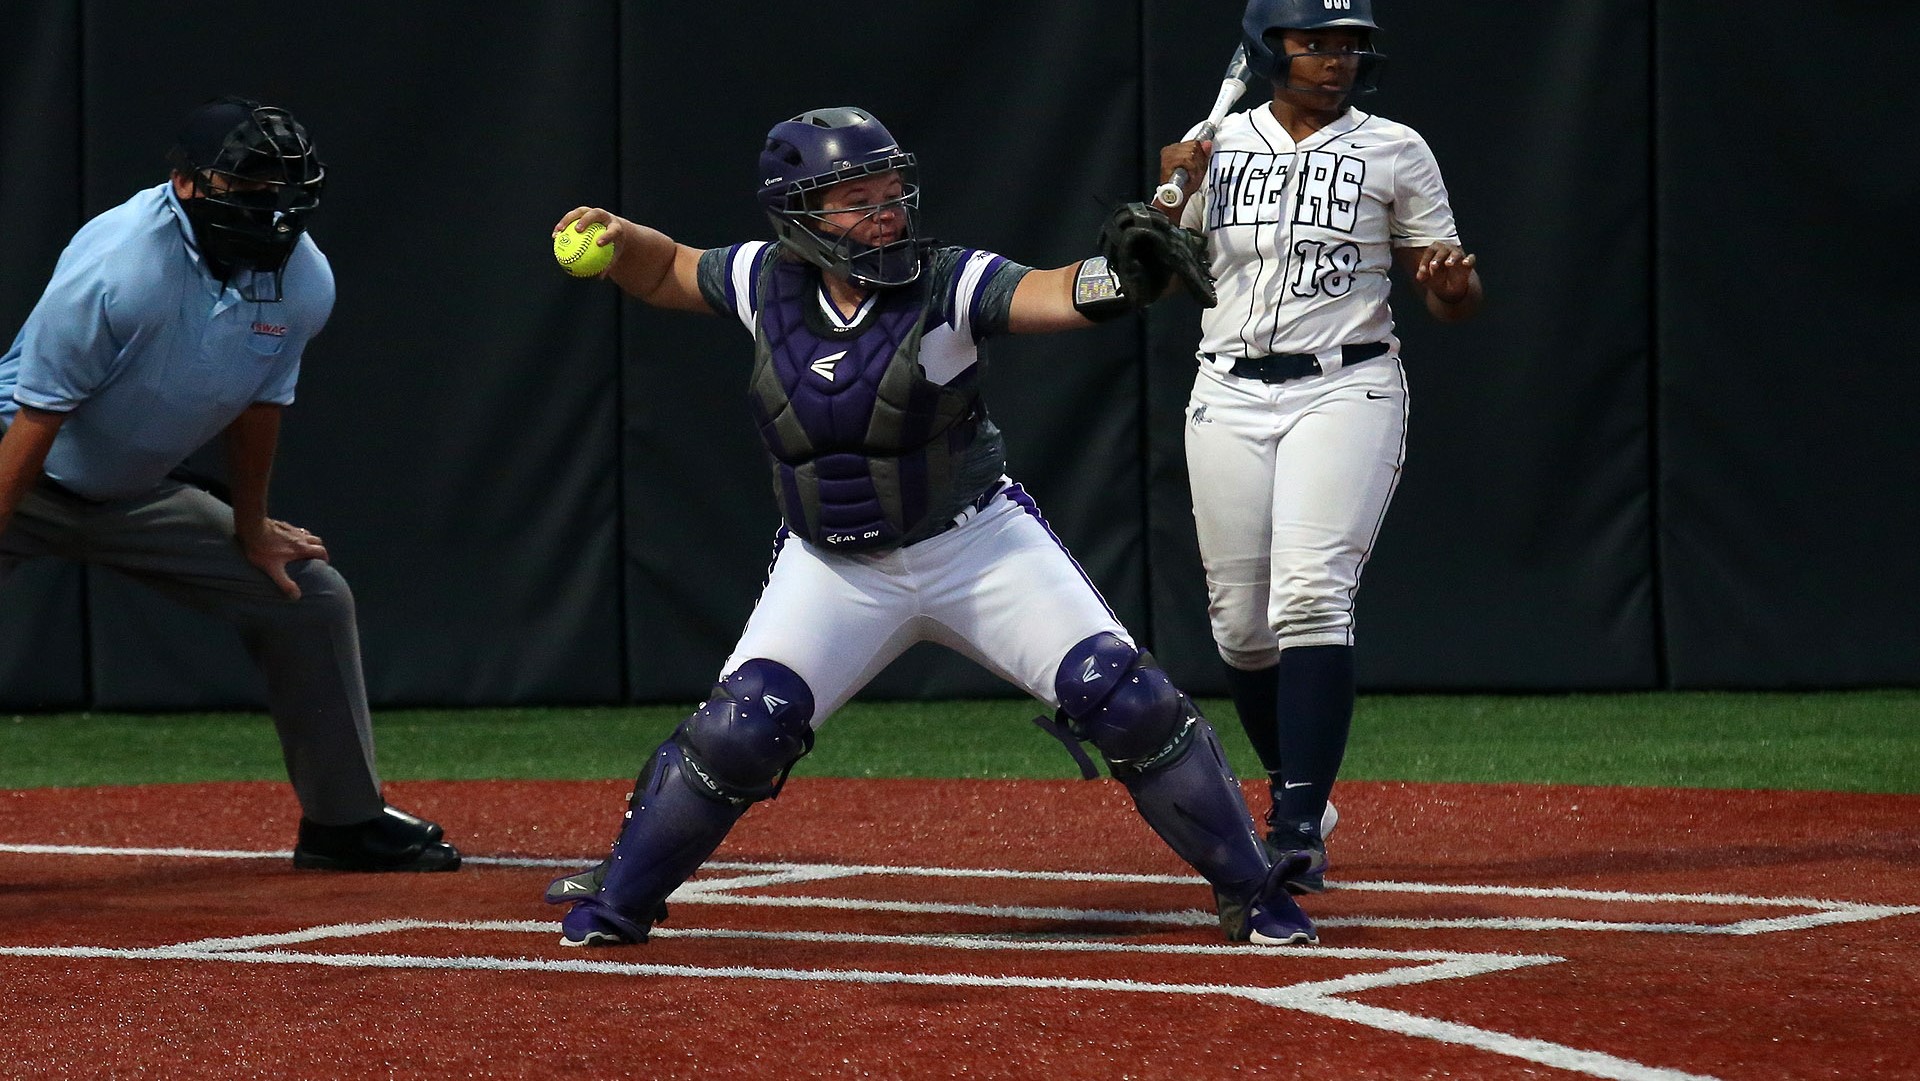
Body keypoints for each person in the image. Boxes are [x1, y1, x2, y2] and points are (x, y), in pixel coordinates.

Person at [543, 105, 1320, 947]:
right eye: (855, 199)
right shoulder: (764, 278)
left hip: (975, 545)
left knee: (1123, 697)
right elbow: (667, 271)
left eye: (890, 193)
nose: (884, 214)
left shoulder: (946, 279)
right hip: (832, 567)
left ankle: (1252, 886)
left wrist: (1122, 278)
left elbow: (1053, 292)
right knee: (742, 728)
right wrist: (619, 238)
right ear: (800, 216)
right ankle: (622, 893)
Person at [0, 96, 459, 872]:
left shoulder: (304, 279)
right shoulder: (120, 266)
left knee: (308, 595)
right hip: (22, 472)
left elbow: (259, 405)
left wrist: (252, 525)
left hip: (134, 493)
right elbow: (38, 420)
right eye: (250, 189)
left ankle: (343, 822)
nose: (274, 212)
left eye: (287, 193)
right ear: (185, 184)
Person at [1155, 0, 1484, 893]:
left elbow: (1453, 295)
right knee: (1239, 623)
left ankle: (1297, 820)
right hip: (1226, 383)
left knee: (1310, 596)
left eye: (1349, 46)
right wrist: (1172, 193)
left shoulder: (1395, 147)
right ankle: (1298, 785)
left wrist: (1451, 283)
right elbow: (1162, 280)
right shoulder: (1212, 141)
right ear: (1272, 50)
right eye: (1316, 44)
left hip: (1347, 382)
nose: (1335, 61)